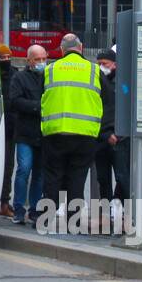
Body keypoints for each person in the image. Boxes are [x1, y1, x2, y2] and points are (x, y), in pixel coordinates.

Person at [39, 33, 102, 230]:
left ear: (61, 50)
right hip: (85, 135)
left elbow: (41, 97)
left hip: (56, 133)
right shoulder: (94, 70)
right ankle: (73, 223)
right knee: (77, 178)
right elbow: (106, 99)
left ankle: (46, 220)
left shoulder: (51, 69)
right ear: (81, 48)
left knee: (53, 177)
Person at [6, 44, 48, 224]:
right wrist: (38, 107)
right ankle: (18, 208)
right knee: (24, 169)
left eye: (43, 59)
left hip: (43, 132)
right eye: (37, 59)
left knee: (39, 173)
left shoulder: (49, 76)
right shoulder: (20, 78)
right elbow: (15, 101)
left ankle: (35, 209)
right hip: (25, 132)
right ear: (28, 60)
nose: (41, 62)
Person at [92, 48, 126, 231]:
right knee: (102, 178)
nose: (101, 67)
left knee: (122, 176)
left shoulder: (122, 83)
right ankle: (106, 212)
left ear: (114, 64)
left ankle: (117, 203)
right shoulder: (95, 82)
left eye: (104, 64)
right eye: (98, 64)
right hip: (101, 137)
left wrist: (118, 134)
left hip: (118, 137)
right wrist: (105, 134)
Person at [0, 43, 17, 218]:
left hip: (10, 128)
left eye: (8, 57)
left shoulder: (15, 75)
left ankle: (4, 202)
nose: (6, 60)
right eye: (3, 58)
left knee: (8, 167)